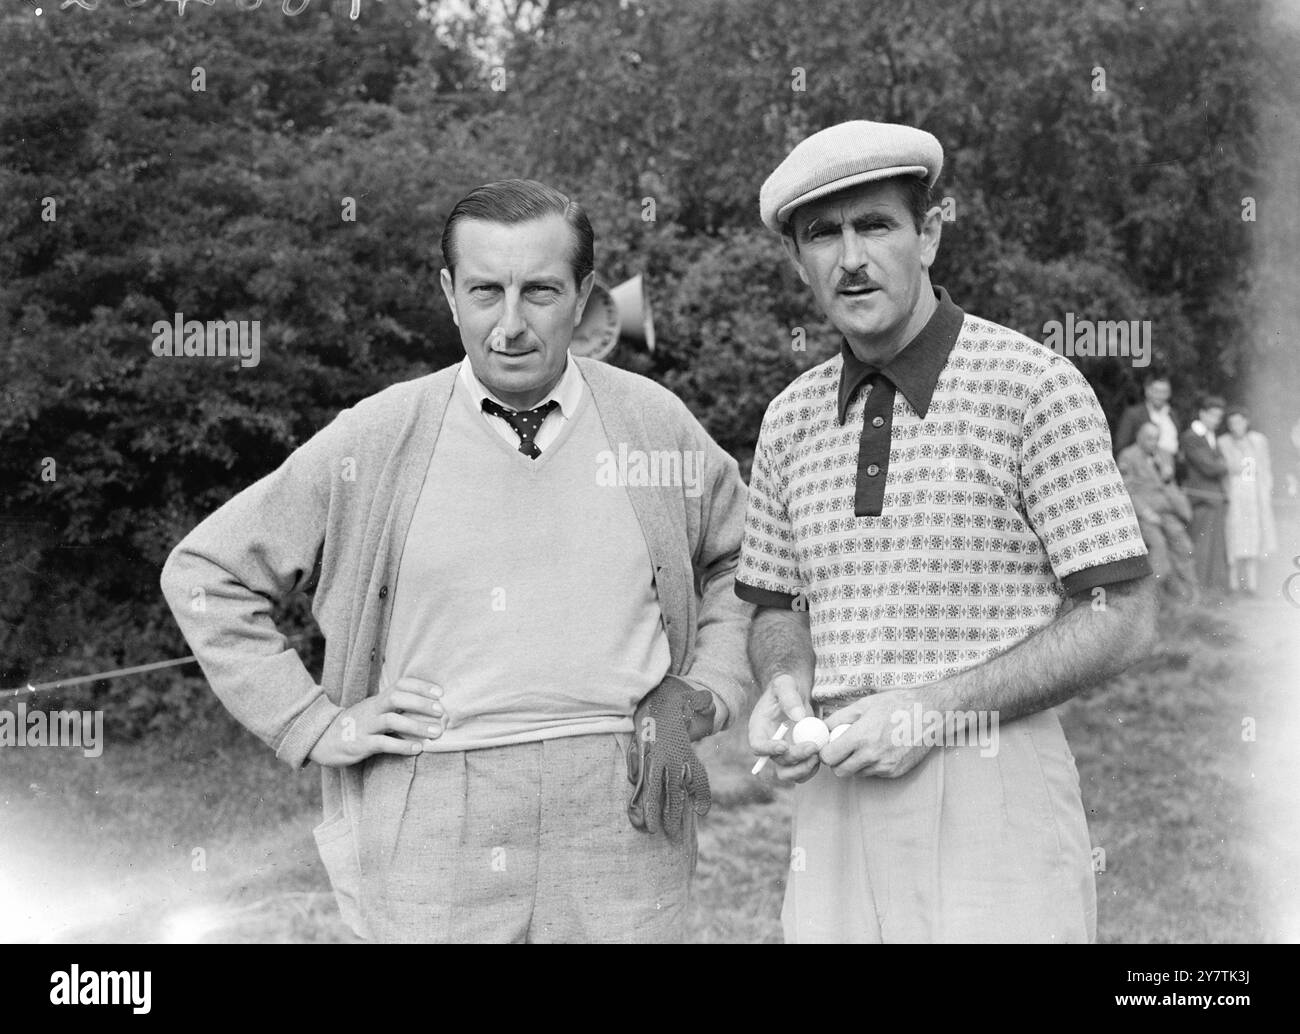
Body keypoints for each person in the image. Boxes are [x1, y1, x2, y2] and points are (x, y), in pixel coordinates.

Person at [160, 179, 754, 943]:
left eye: (539, 291)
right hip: (433, 807)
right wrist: (311, 723)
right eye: (485, 291)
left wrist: (702, 693)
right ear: (449, 293)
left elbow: (747, 562)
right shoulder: (380, 435)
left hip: (626, 804)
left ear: (583, 296)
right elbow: (206, 572)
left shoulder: (652, 423)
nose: (509, 324)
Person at [736, 120, 1157, 943]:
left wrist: (936, 707)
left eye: (877, 225)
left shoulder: (1033, 386)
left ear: (927, 235)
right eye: (824, 234)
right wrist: (784, 687)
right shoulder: (787, 420)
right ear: (798, 261)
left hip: (991, 781)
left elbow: (1126, 616)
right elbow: (777, 608)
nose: (850, 257)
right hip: (836, 791)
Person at [1117, 422, 1198, 602]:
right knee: (1158, 547)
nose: (1153, 442)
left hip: (1168, 511)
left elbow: (1170, 486)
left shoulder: (1164, 455)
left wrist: (1166, 475)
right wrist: (1145, 512)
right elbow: (1128, 490)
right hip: (1145, 514)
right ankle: (1152, 598)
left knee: (1183, 547)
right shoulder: (1128, 456)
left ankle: (1190, 594)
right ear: (1139, 437)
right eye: (1149, 438)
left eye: (1156, 438)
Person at [1219, 408, 1277, 596]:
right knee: (1234, 535)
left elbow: (1265, 467)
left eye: (1239, 422)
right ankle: (1234, 583)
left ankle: (1252, 585)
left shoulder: (1258, 441)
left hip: (1253, 493)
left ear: (1246, 422)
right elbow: (1224, 470)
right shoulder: (1224, 442)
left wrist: (1265, 491)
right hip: (1235, 493)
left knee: (1254, 535)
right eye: (1232, 423)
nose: (1236, 427)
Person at [1179, 395, 1231, 598]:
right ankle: (1198, 590)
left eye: (1219, 417)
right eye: (1212, 415)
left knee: (1214, 547)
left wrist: (1221, 464)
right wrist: (1226, 465)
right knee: (1201, 546)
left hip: (1214, 498)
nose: (1216, 420)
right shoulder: (1192, 436)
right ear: (1202, 413)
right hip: (1201, 498)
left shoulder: (1210, 435)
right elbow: (1209, 467)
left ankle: (1211, 590)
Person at [1114, 373, 1180, 474]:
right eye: (1156, 391)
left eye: (1165, 392)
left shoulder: (1172, 414)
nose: (1161, 396)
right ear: (1147, 391)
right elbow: (1121, 445)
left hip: (1170, 470)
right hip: (1142, 473)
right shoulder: (1133, 414)